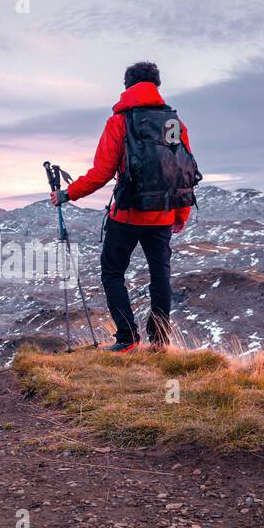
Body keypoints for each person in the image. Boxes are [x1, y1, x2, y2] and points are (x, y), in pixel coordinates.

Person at [50, 61, 200, 352]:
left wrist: (67, 194)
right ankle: (159, 342)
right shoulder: (174, 124)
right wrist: (181, 213)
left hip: (129, 213)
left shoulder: (119, 122)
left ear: (127, 86)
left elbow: (101, 173)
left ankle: (127, 338)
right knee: (160, 277)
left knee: (112, 272)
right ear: (157, 86)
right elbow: (181, 171)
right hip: (163, 216)